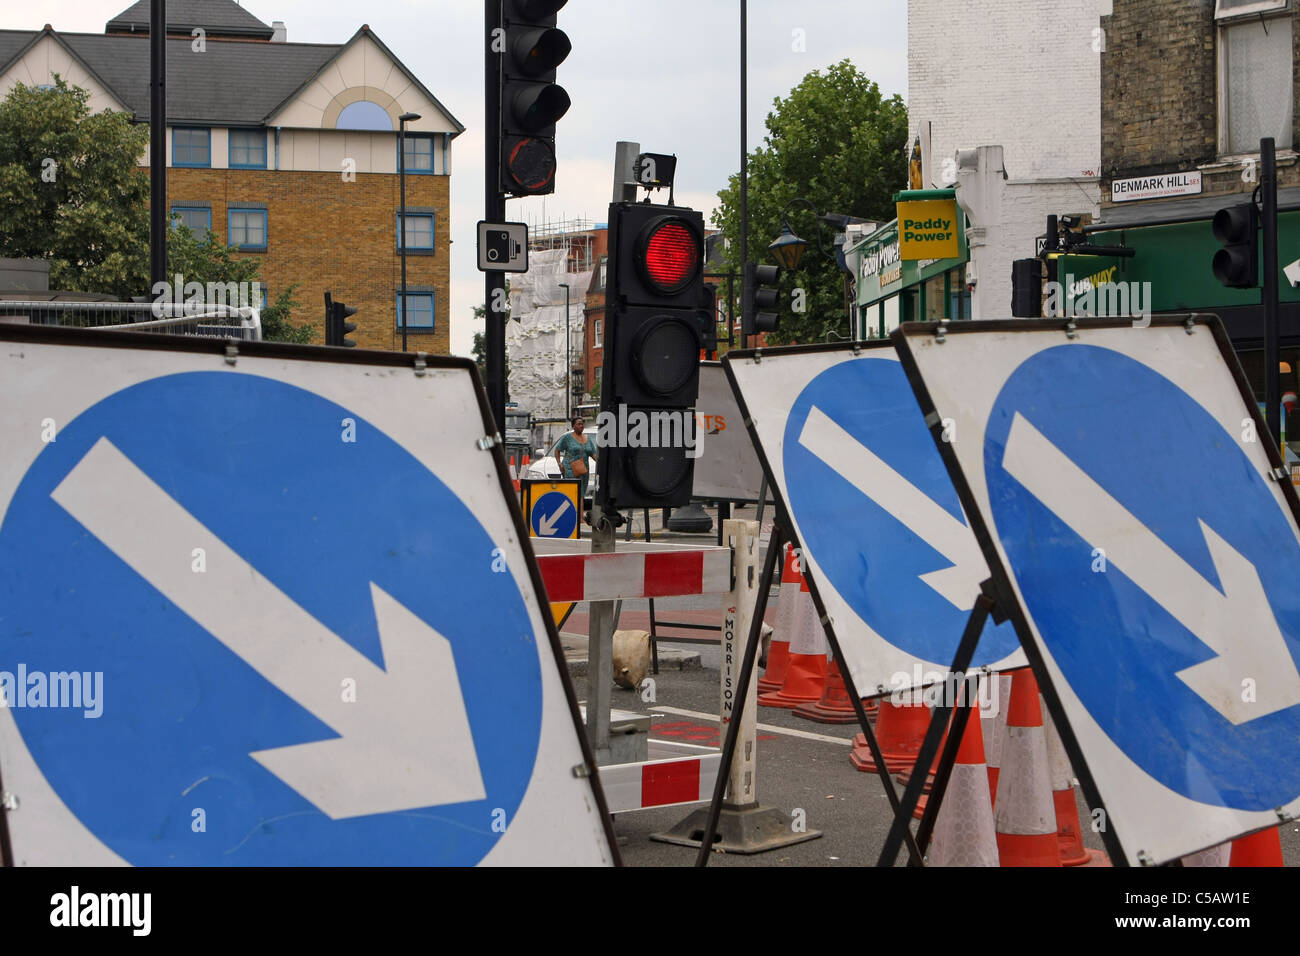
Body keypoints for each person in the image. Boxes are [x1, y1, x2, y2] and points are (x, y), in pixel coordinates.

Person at [556, 415, 595, 501]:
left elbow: (594, 454)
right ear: (573, 426)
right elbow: (557, 450)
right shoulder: (567, 437)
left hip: (584, 470)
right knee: (571, 494)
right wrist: (560, 464)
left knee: (581, 495)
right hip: (570, 470)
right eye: (578, 424)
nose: (581, 425)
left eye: (582, 424)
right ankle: (573, 513)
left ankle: (580, 514)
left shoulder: (588, 439)